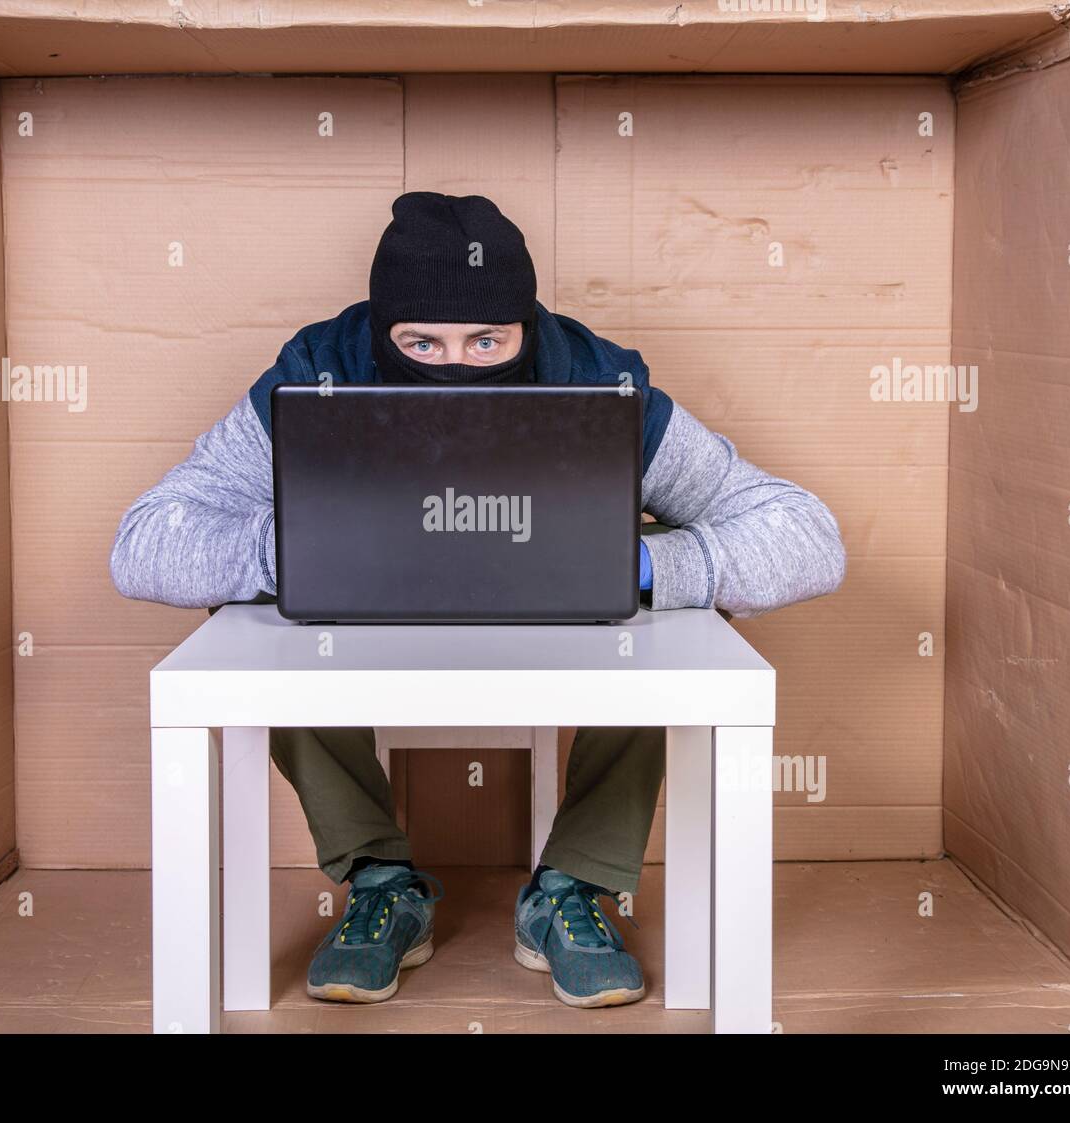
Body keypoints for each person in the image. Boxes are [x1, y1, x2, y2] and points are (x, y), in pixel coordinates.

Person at [110, 191, 846, 1009]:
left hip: (558, 624)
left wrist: (631, 563)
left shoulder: (599, 377)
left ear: (525, 329)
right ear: (381, 332)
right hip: (360, 626)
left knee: (684, 616)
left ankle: (571, 887)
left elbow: (808, 535)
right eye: (420, 341)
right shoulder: (318, 367)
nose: (452, 364)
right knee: (243, 612)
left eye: (486, 341)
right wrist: (303, 551)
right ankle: (380, 879)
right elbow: (142, 542)